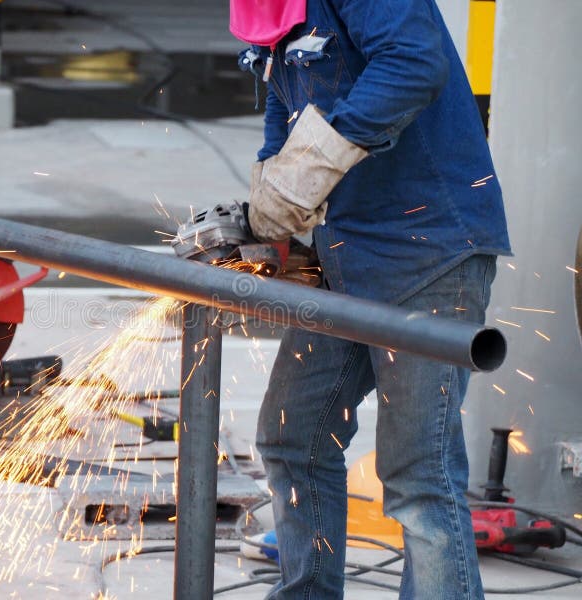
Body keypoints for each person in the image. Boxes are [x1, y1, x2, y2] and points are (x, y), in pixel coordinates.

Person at [231, 1, 511, 598]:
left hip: (430, 251)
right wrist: (276, 185)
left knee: (418, 478)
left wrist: (320, 159)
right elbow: (286, 90)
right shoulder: (261, 6)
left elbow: (413, 62)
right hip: (346, 255)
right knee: (293, 439)